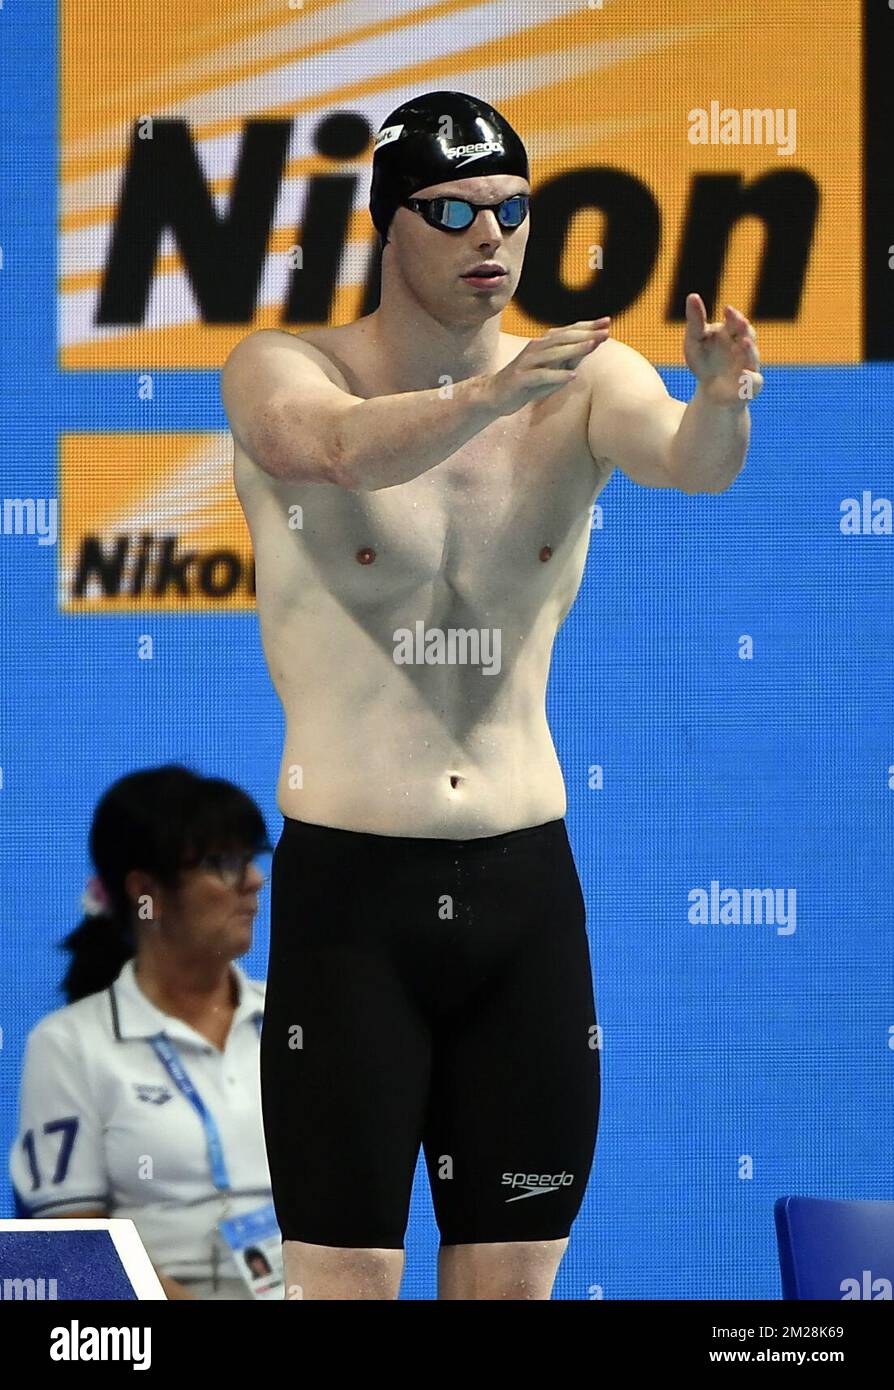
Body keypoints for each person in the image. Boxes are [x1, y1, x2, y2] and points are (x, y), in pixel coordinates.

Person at [220, 90, 763, 1301]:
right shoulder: (281, 366)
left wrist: (721, 403)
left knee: (512, 1292)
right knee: (348, 1285)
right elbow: (335, 449)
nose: (491, 238)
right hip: (352, 903)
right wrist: (481, 398)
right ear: (388, 225)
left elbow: (689, 466)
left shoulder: (582, 379)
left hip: (523, 892)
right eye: (455, 209)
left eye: (513, 210)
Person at [8, 765, 274, 1300]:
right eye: (222, 863)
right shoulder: (68, 1045)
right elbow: (69, 1248)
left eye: (250, 859)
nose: (253, 880)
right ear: (144, 891)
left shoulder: (297, 1023)